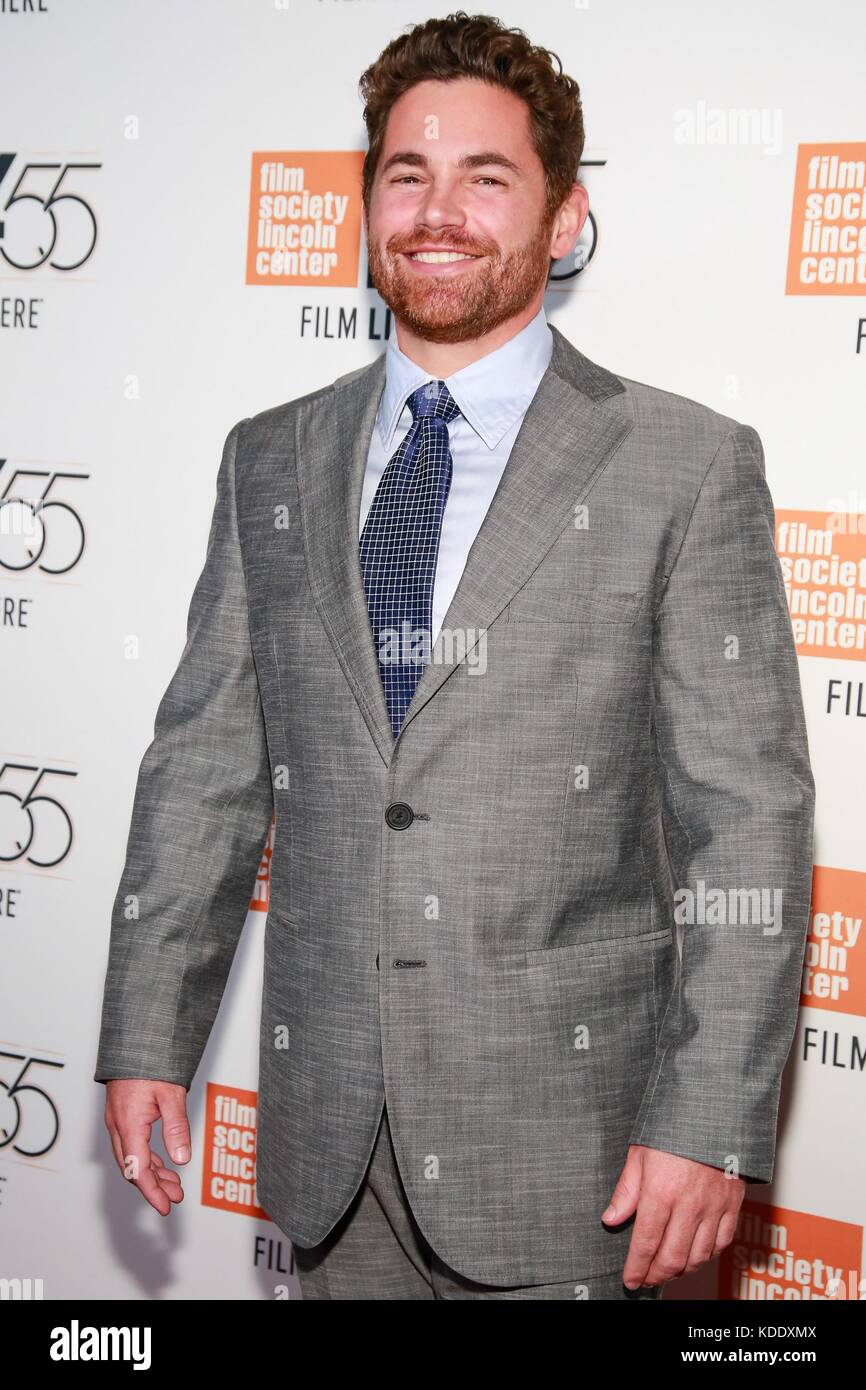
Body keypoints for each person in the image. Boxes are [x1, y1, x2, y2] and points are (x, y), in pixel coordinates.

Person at [94, 12, 815, 1301]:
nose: (440, 211)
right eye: (406, 174)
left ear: (563, 214)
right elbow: (203, 765)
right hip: (332, 1157)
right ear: (368, 200)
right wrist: (149, 1034)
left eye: (487, 177)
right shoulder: (271, 456)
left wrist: (707, 1117)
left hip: (583, 1167)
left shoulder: (683, 465)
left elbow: (746, 826)